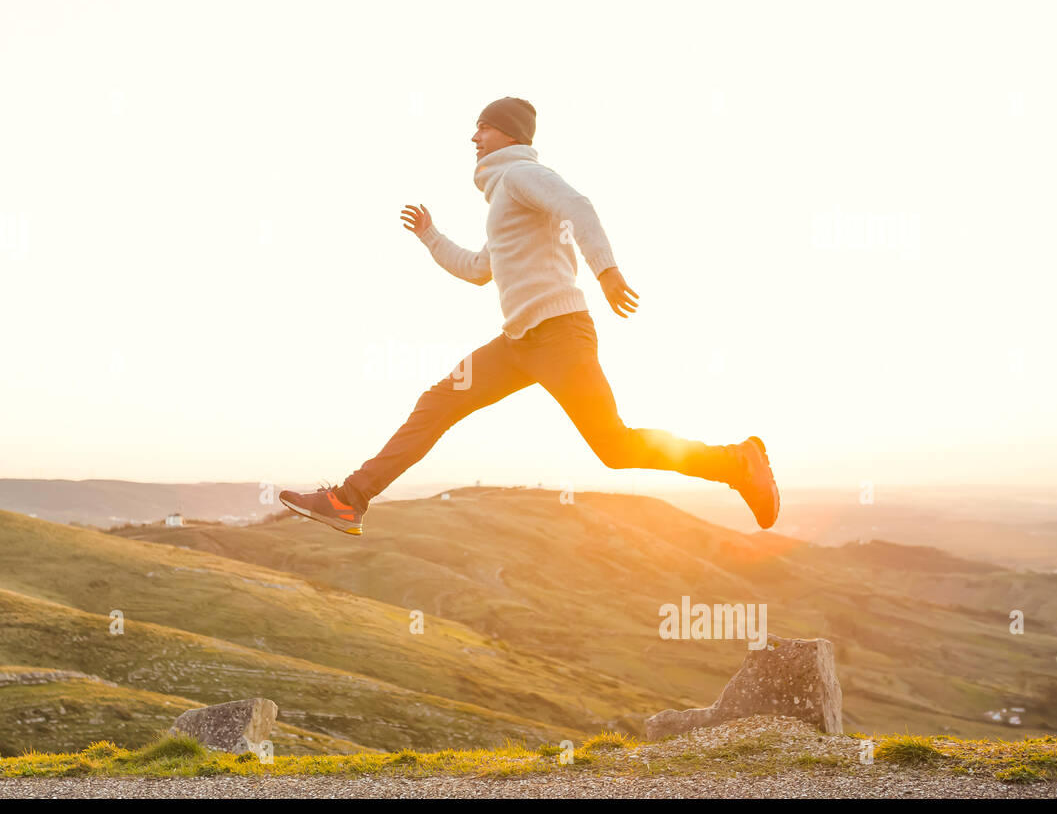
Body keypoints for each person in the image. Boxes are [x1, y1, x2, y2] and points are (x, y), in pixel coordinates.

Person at [280, 96, 778, 536]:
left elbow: (576, 205)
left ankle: (738, 462)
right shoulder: (502, 196)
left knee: (615, 447)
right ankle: (349, 500)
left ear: (510, 134)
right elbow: (479, 270)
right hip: (519, 344)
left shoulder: (521, 175)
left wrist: (606, 271)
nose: (474, 137)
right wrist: (430, 235)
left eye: (484, 127)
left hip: (560, 335)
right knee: (437, 404)